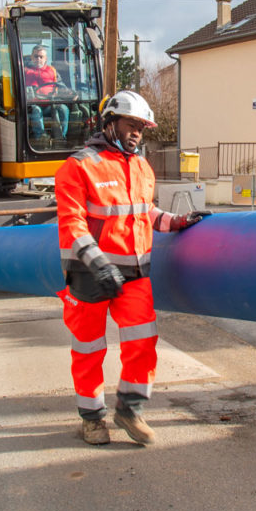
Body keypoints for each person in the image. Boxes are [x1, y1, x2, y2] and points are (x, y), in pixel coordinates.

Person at [54, 90, 210, 446]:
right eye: (131, 124)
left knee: (143, 340)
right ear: (110, 123)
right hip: (88, 274)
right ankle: (92, 418)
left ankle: (130, 409)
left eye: (141, 126)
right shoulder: (79, 166)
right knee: (89, 349)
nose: (137, 132)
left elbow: (144, 212)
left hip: (134, 274)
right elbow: (72, 224)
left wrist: (176, 221)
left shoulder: (141, 167)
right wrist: (98, 264)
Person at [24, 46, 70, 144]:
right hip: (32, 105)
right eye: (36, 56)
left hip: (50, 104)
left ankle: (61, 138)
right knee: (36, 110)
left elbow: (61, 85)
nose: (38, 59)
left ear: (46, 58)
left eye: (41, 57)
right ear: (32, 57)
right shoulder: (25, 71)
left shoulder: (52, 71)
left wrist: (69, 93)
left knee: (64, 109)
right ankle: (41, 138)